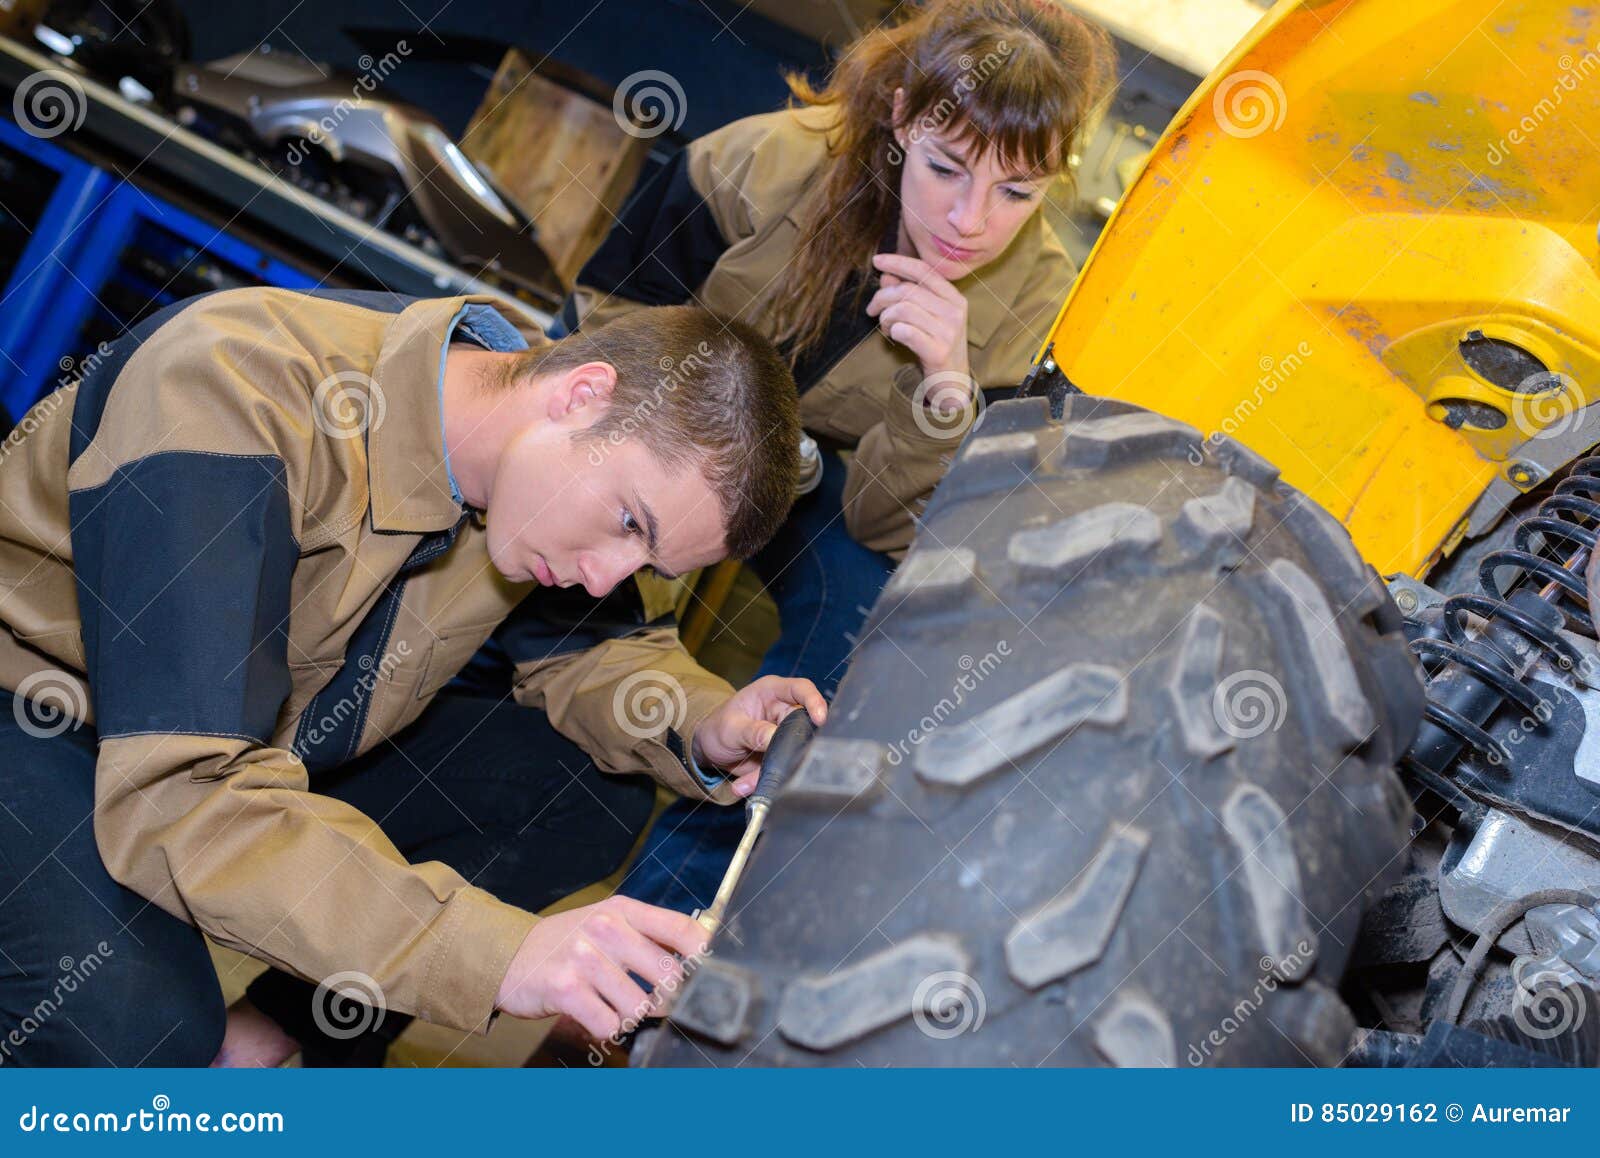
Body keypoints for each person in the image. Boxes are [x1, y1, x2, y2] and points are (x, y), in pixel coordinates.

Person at [0, 286, 825, 1067]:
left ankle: (286, 1027)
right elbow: (179, 797)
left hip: (271, 740)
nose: (611, 576)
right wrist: (499, 954)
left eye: (648, 559)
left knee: (574, 792)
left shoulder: (519, 459)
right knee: (131, 1022)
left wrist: (708, 724)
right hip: (53, 712)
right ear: (582, 395)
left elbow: (590, 649)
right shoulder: (233, 391)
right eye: (628, 524)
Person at [557, 0, 1115, 913]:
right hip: (649, 411)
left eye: (1018, 192)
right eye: (945, 169)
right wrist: (673, 461)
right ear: (900, 114)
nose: (971, 221)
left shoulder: (1040, 297)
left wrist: (944, 387)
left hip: (826, 482)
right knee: (561, 607)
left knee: (867, 620)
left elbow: (890, 526)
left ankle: (665, 935)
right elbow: (599, 325)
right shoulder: (762, 162)